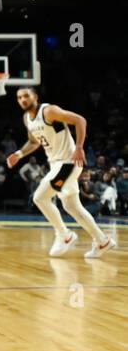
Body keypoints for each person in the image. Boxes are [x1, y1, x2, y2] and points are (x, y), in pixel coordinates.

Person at [7, 87, 117, 259]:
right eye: (19, 97)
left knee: (40, 197)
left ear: (35, 97)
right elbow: (33, 142)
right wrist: (19, 154)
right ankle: (102, 241)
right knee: (71, 206)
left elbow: (80, 120)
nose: (23, 100)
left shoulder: (49, 111)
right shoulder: (27, 118)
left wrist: (79, 147)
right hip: (56, 165)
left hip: (68, 162)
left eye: (26, 96)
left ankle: (64, 235)